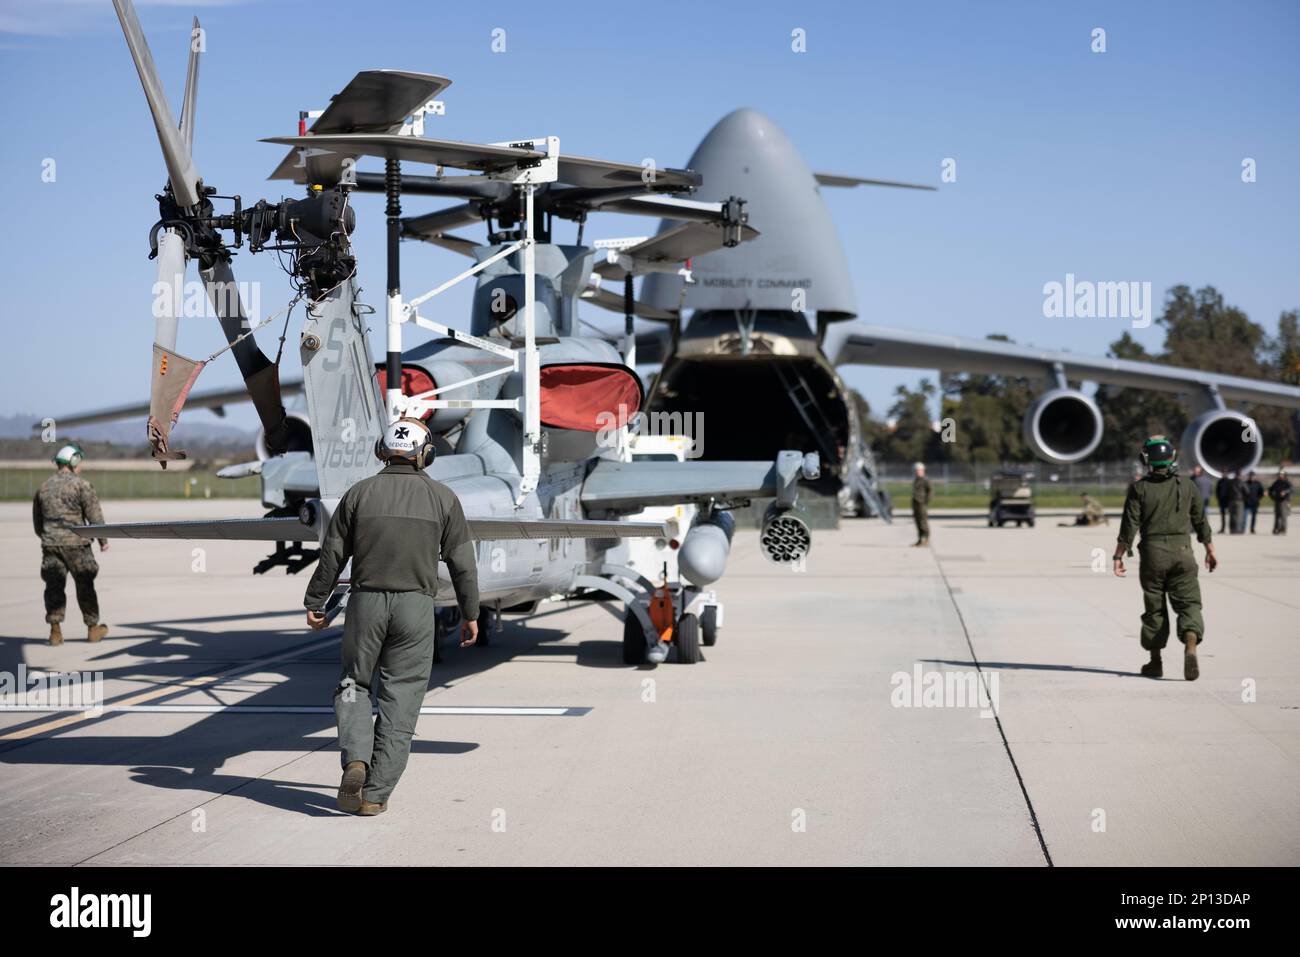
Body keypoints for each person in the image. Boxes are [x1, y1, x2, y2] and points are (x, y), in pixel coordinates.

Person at [303, 417, 480, 816]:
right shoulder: (443, 498)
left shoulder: (359, 494)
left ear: (383, 451)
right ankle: (374, 795)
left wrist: (316, 601)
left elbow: (332, 554)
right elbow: (463, 564)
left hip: (365, 603)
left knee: (354, 684)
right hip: (415, 608)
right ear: (425, 454)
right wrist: (471, 612)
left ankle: (355, 761)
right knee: (401, 699)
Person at [1113, 436, 1216, 681]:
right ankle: (1190, 638)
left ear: (1146, 459)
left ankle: (1155, 661)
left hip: (1153, 555)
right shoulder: (1189, 485)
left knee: (1155, 609)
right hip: (1183, 553)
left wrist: (1118, 556)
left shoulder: (1139, 488)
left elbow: (1129, 526)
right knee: (1189, 603)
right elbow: (1201, 521)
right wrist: (1210, 549)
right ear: (1172, 457)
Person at [32, 443, 109, 645]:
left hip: (50, 545)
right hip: (77, 546)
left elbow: (37, 522)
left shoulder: (44, 487)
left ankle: (55, 632)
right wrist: (103, 540)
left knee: (54, 587)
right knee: (85, 585)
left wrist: (48, 538)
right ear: (73, 461)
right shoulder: (81, 485)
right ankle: (93, 629)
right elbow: (95, 516)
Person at [911, 462, 932, 547]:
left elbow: (930, 491)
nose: (917, 472)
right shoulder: (916, 479)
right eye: (916, 470)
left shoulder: (925, 480)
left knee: (923, 521)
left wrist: (925, 501)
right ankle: (920, 539)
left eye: (918, 470)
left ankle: (926, 539)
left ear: (923, 470)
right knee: (917, 521)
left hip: (922, 503)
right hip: (915, 502)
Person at [1269, 468, 1292, 535]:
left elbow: (1291, 489)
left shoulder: (1287, 483)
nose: (1280, 476)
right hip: (1277, 501)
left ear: (1284, 475)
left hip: (1284, 501)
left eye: (1282, 474)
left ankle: (1283, 529)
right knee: (1277, 516)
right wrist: (1272, 497)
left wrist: (1285, 492)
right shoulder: (1276, 482)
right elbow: (1270, 489)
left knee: (1283, 516)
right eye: (1279, 474)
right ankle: (1276, 529)